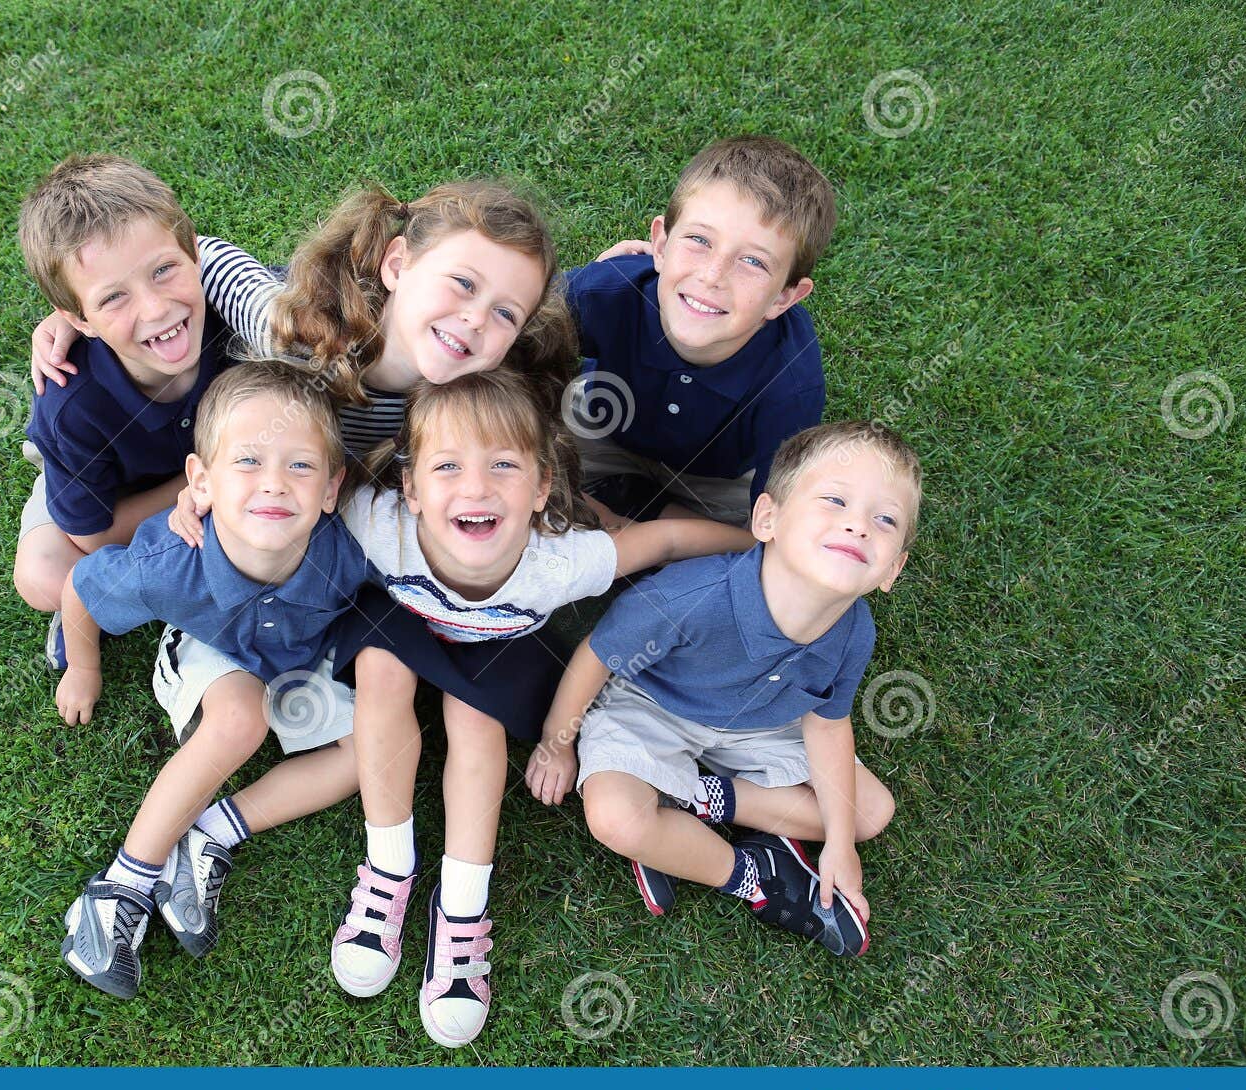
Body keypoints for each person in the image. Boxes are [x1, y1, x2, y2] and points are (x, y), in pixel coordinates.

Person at [326, 369, 752, 1046]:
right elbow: (305, 487)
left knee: (477, 727)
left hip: (497, 650)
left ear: (541, 487)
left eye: (503, 465)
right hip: (405, 627)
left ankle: (461, 910)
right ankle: (388, 869)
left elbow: (664, 542)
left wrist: (764, 545)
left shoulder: (563, 562)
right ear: (409, 489)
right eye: (446, 466)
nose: (475, 487)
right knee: (380, 670)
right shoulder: (379, 523)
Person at [526, 421, 922, 958]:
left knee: (869, 814)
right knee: (616, 817)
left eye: (885, 519)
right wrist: (557, 740)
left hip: (760, 723)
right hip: (652, 706)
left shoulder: (855, 630)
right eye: (834, 501)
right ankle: (751, 872)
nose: (858, 527)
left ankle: (700, 801)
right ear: (768, 519)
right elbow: (598, 653)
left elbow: (828, 723)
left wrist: (837, 841)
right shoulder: (693, 596)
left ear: (892, 569)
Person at [54, 362, 369, 998]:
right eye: (247, 462)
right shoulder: (174, 561)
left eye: (301, 466)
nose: (274, 484)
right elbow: (82, 587)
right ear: (200, 481)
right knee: (239, 717)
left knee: (372, 751)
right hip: (210, 648)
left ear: (333, 488)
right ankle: (121, 886)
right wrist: (83, 666)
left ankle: (213, 835)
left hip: (298, 660)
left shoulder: (346, 550)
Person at [33, 180, 578, 461]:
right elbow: (202, 254)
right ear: (396, 265)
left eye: (506, 312)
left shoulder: (476, 403)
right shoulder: (293, 330)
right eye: (462, 284)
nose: (476, 319)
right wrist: (84, 313)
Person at [11, 154, 234, 670]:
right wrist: (213, 483)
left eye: (164, 270)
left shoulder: (232, 310)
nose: (156, 309)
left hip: (211, 470)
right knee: (44, 575)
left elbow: (311, 298)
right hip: (117, 496)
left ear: (196, 255)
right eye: (113, 298)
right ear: (79, 320)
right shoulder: (72, 404)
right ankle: (81, 590)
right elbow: (93, 534)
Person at [566, 135, 836, 534]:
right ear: (660, 244)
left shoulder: (791, 384)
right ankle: (635, 508)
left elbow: (774, 516)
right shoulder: (605, 292)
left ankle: (651, 517)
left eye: (752, 262)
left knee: (756, 534)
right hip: (602, 425)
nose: (712, 276)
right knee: (514, 452)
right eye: (699, 240)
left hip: (716, 477)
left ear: (784, 297)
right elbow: (512, 329)